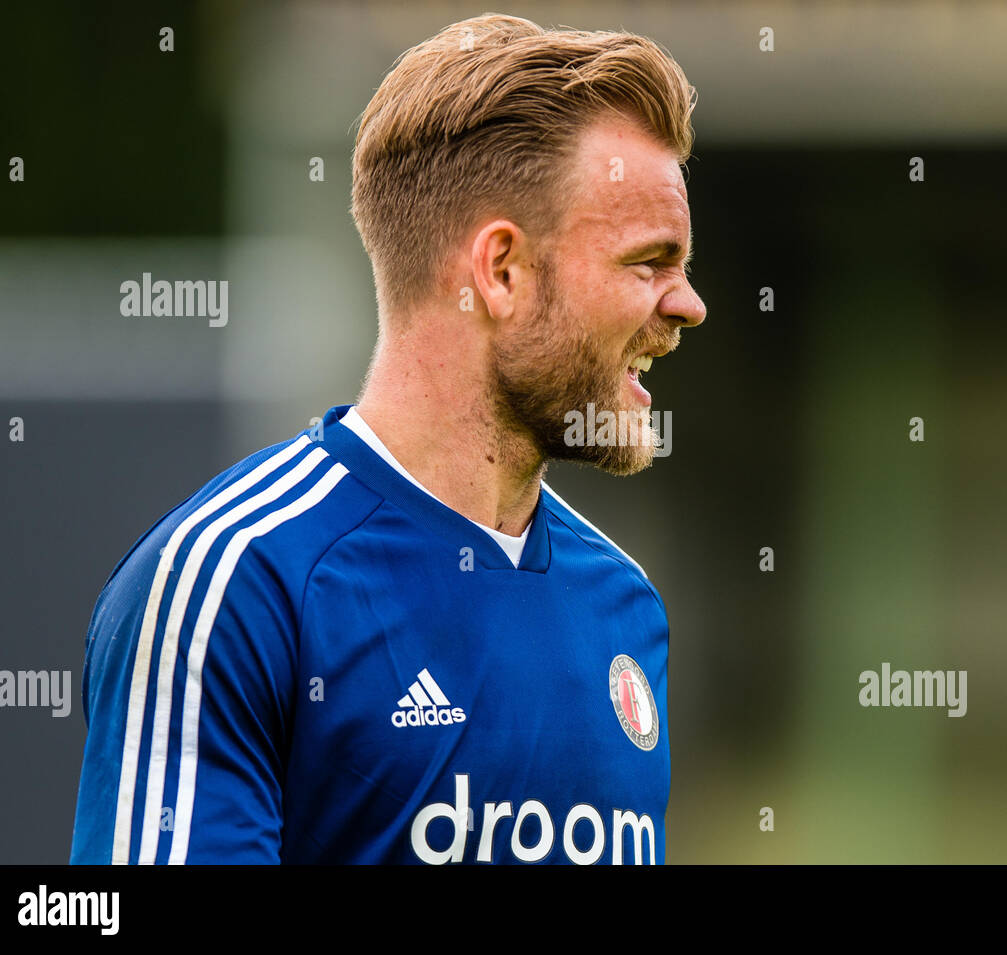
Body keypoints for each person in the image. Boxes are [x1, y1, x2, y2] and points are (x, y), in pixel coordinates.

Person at [69, 12, 706, 865]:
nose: (686, 304)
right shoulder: (236, 585)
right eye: (647, 262)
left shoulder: (623, 605)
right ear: (502, 271)